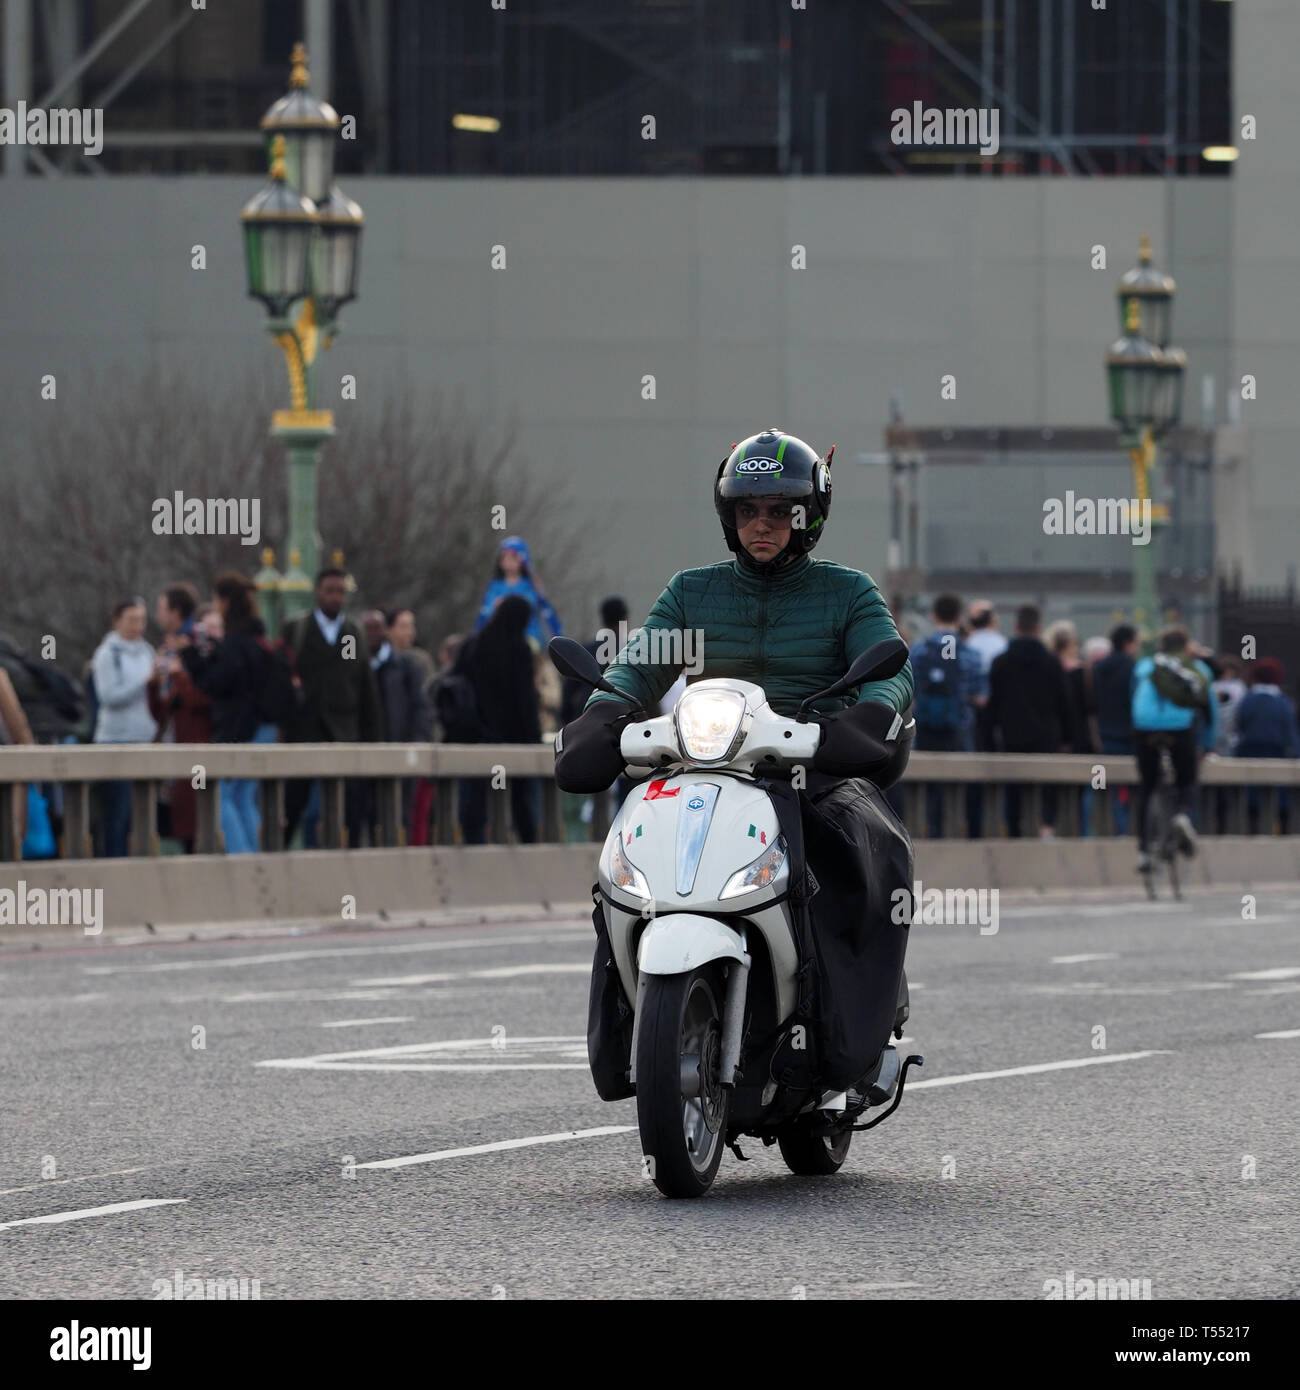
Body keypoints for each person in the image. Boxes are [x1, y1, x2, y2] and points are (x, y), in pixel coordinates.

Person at [553, 428, 915, 1093]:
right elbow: (640, 664)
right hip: (705, 768)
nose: (763, 525)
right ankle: (625, 1023)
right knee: (620, 870)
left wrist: (867, 716)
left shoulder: (848, 593)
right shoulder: (693, 593)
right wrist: (602, 714)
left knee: (878, 850)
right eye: (748, 511)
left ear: (809, 517)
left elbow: (889, 668)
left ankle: (855, 1030)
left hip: (808, 768)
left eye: (781, 511)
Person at [279, 568, 382, 849]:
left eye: (341, 591)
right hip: (304, 731)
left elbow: (363, 685)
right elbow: (282, 680)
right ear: (318, 592)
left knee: (342, 807)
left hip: (343, 731)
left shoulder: (352, 633)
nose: (336, 597)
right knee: (293, 805)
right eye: (330, 591)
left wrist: (372, 737)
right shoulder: (297, 630)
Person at [179, 573, 279, 854]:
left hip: (241, 728)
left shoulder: (236, 641)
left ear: (223, 602)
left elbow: (217, 684)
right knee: (244, 796)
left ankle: (243, 859)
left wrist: (192, 658)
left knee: (221, 795)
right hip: (263, 727)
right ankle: (254, 859)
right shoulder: (257, 637)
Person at [456, 594, 543, 844]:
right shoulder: (519, 649)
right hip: (514, 739)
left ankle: (475, 843)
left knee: (476, 798)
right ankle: (527, 843)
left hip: (478, 736)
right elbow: (525, 700)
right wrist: (533, 738)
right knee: (520, 798)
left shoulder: (475, 645)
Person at [1131, 625, 1217, 871]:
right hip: (1180, 729)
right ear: (1186, 646)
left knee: (1147, 787)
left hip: (1145, 728)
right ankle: (1183, 815)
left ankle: (1144, 852)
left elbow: (1133, 699)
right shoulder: (1198, 670)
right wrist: (1207, 744)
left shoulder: (1144, 666)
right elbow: (1209, 711)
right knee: (1187, 781)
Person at [987, 605, 1071, 838]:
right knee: (1046, 784)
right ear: (1038, 627)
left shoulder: (1001, 662)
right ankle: (1046, 827)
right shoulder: (1052, 663)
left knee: (1013, 789)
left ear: (1016, 627)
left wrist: (988, 739)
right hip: (1046, 737)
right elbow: (1065, 703)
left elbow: (993, 706)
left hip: (1012, 735)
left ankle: (1014, 831)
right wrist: (1068, 738)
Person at [908, 593, 983, 839]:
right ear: (960, 616)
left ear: (933, 616)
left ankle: (930, 834)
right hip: (959, 727)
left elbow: (909, 692)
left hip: (926, 727)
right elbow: (981, 697)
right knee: (962, 783)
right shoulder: (971, 653)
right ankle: (962, 836)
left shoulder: (918, 650)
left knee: (930, 787)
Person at [147, 584, 211, 852]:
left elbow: (202, 698)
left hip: (197, 743)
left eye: (162, 608)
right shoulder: (168, 647)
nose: (158, 614)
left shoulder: (198, 646)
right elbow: (162, 710)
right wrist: (152, 684)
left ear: (176, 611)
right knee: (177, 823)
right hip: (174, 740)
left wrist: (177, 674)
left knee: (196, 821)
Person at [91, 598, 157, 856]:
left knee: (140, 815)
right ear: (117, 621)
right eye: (131, 620)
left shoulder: (148, 651)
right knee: (117, 813)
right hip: (115, 741)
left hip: (145, 740)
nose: (137, 626)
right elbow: (108, 696)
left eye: (141, 620)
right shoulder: (107, 654)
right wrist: (145, 681)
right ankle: (112, 865)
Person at [362, 609, 433, 842]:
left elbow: (421, 707)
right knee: (367, 815)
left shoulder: (408, 665)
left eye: (377, 628)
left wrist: (418, 741)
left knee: (402, 815)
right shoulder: (357, 664)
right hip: (365, 755)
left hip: (401, 752)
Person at [1234, 658, 1298, 834]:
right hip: (1278, 757)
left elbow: (1240, 725)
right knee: (1280, 802)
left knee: (1251, 803)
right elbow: (1290, 734)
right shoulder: (1284, 704)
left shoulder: (1247, 701)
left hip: (1248, 755)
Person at [473, 535, 562, 651]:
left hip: (528, 636)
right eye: (504, 558)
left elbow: (539, 609)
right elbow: (486, 612)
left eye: (513, 558)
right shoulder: (495, 585)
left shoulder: (531, 585)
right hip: (499, 636)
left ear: (522, 560)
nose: (508, 562)